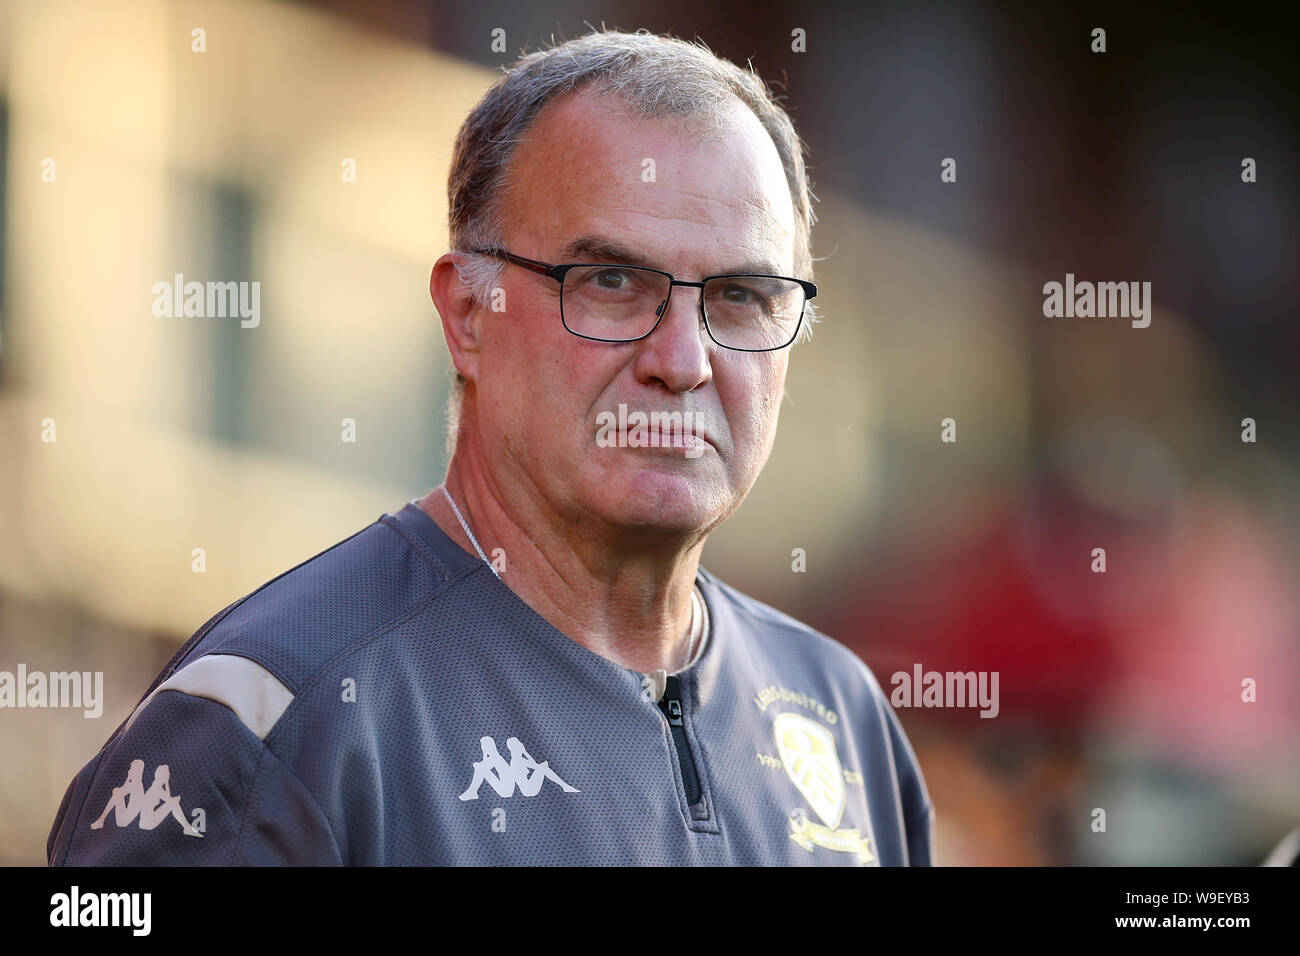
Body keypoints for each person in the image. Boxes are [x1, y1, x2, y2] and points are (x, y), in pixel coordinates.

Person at [48, 28, 933, 866]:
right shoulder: (279, 714)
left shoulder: (841, 719)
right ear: (467, 315)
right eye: (613, 283)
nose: (684, 360)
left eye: (741, 295)